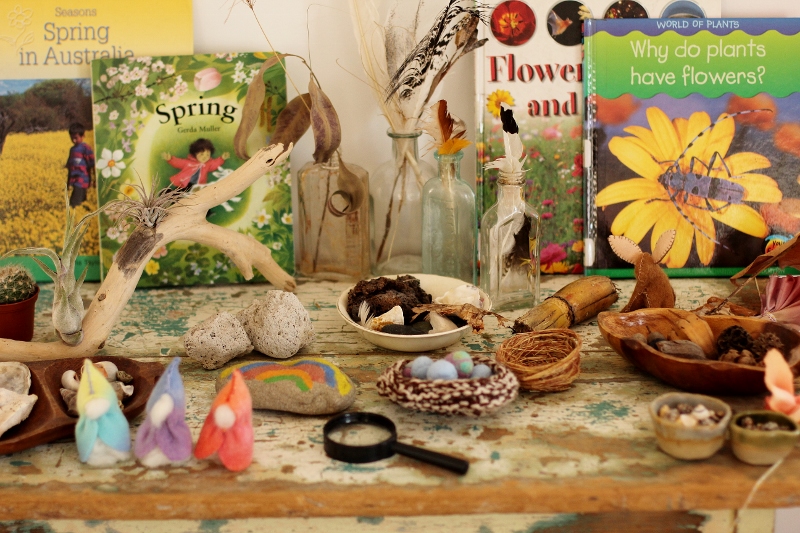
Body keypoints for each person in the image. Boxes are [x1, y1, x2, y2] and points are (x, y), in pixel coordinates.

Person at [162, 138, 229, 191]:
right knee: (180, 191)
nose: (205, 157)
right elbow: (178, 162)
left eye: (207, 155)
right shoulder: (188, 162)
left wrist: (222, 158)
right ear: (195, 153)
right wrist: (170, 159)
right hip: (185, 183)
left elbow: (215, 164)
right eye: (201, 154)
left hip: (198, 186)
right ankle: (169, 193)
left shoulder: (208, 164)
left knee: (195, 195)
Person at [66, 123, 95, 207]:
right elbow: (70, 167)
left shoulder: (86, 148)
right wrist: (67, 183)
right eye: (72, 138)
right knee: (80, 202)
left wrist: (94, 180)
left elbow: (92, 164)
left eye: (76, 138)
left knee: (74, 203)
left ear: (83, 136)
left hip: (82, 180)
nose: (74, 140)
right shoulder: (72, 150)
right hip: (74, 180)